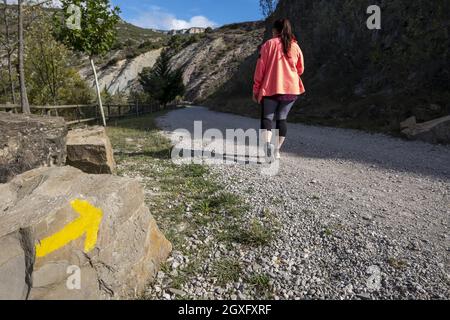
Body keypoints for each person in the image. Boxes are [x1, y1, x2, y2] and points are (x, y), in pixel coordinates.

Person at [253, 18, 305, 160]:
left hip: (271, 87)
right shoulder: (295, 46)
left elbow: (260, 70)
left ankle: (267, 146)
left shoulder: (268, 44)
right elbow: (300, 69)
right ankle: (276, 150)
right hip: (291, 88)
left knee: (267, 118)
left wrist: (256, 88)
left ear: (275, 30)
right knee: (282, 119)